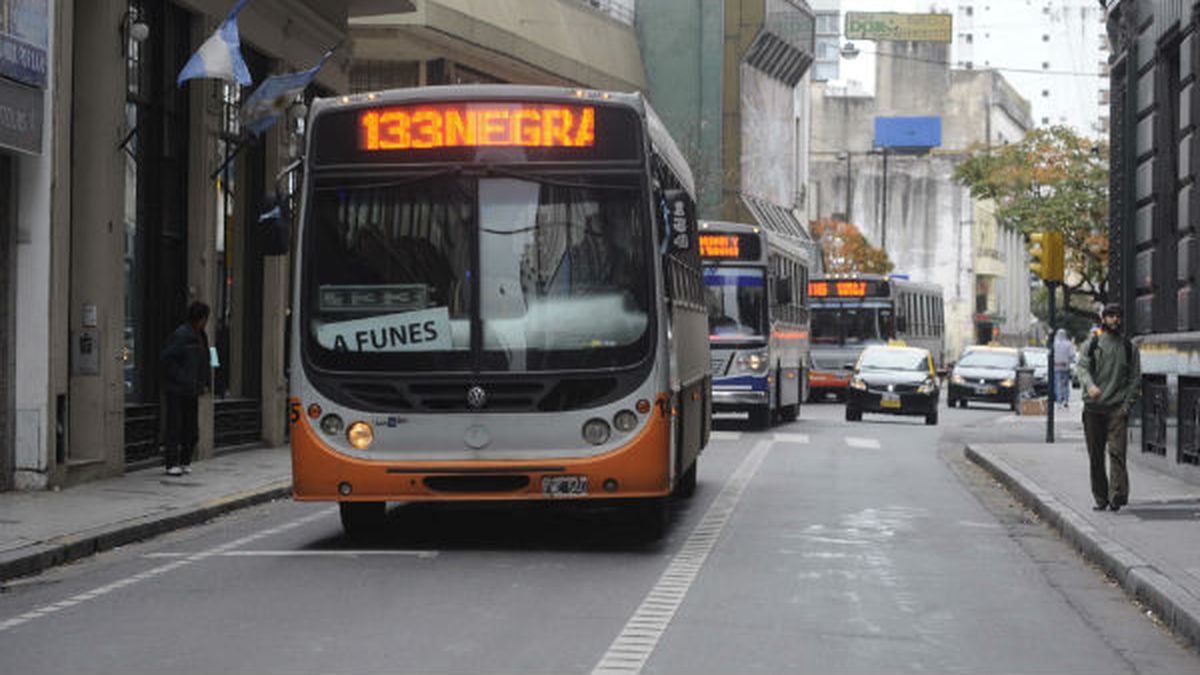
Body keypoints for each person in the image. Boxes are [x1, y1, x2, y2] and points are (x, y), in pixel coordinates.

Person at [1075, 303, 1140, 512]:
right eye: (1110, 316)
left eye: (1118, 316)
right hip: (1093, 409)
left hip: (1116, 410)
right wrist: (1090, 385)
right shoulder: (1091, 344)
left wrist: (1126, 406)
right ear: (1103, 319)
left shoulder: (1129, 348)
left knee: (1117, 453)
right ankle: (1101, 497)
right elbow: (1082, 367)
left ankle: (1117, 496)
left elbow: (1134, 379)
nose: (1115, 320)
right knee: (1095, 455)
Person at [160, 301, 212, 476]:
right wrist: (183, 379)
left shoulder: (202, 336)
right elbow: (167, 359)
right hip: (177, 389)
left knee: (191, 428)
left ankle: (184, 460)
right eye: (205, 318)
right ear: (201, 318)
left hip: (192, 389)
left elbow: (207, 359)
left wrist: (206, 382)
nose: (206, 322)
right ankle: (171, 462)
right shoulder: (181, 335)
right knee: (174, 426)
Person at [1052, 328, 1076, 409]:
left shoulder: (1054, 344)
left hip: (1056, 366)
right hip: (1065, 366)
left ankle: (1059, 401)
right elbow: (1072, 355)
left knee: (1058, 384)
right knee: (1065, 384)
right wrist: (1069, 361)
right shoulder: (1068, 344)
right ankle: (1065, 400)